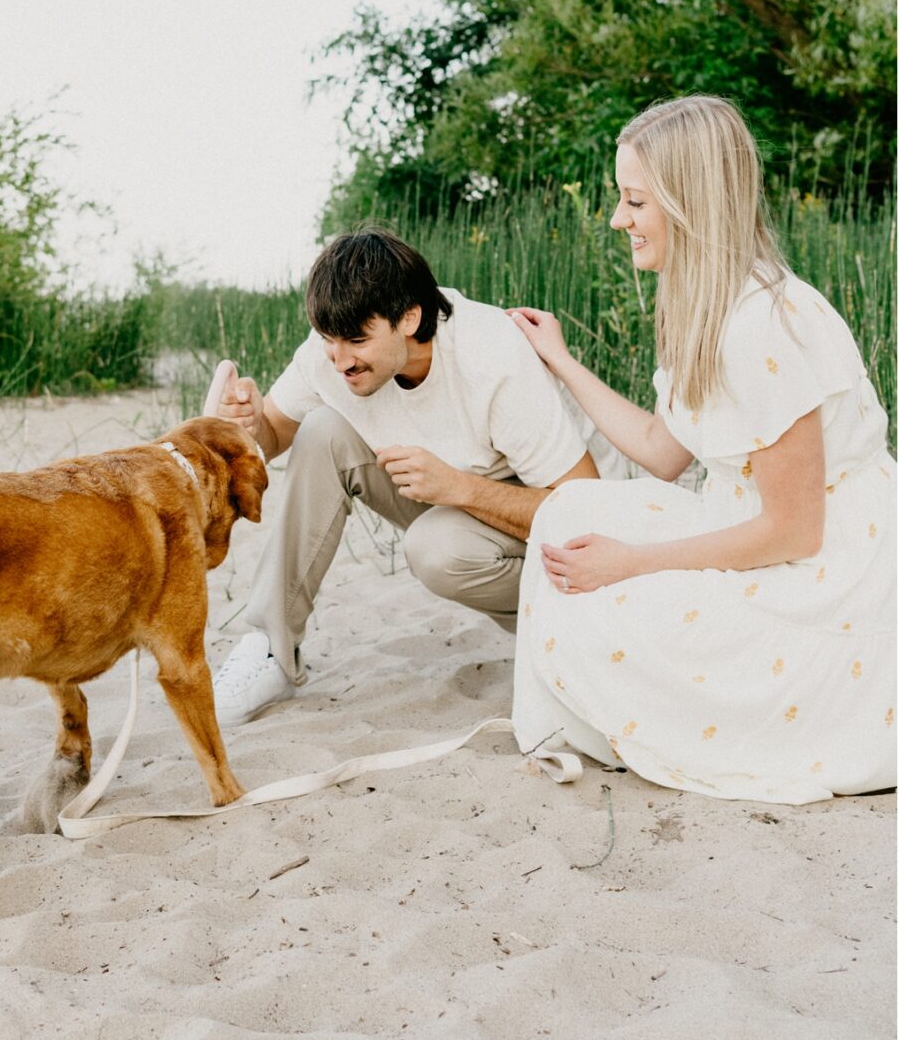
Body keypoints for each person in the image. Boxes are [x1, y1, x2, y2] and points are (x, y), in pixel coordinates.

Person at [509, 95, 895, 802]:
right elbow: (662, 452)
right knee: (566, 514)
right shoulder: (698, 303)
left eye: (633, 201)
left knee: (614, 596)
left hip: (830, 566)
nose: (617, 219)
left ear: (689, 204)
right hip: (746, 523)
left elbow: (795, 530)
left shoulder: (761, 325)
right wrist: (559, 360)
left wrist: (632, 563)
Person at [211, 226, 599, 725]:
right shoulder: (333, 348)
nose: (341, 360)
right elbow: (274, 437)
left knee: (436, 547)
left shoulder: (492, 356)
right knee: (323, 430)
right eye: (330, 341)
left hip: (527, 517)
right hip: (436, 493)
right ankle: (271, 648)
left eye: (356, 340)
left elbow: (584, 511)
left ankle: (559, 630)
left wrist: (459, 488)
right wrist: (249, 425)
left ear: (410, 318)